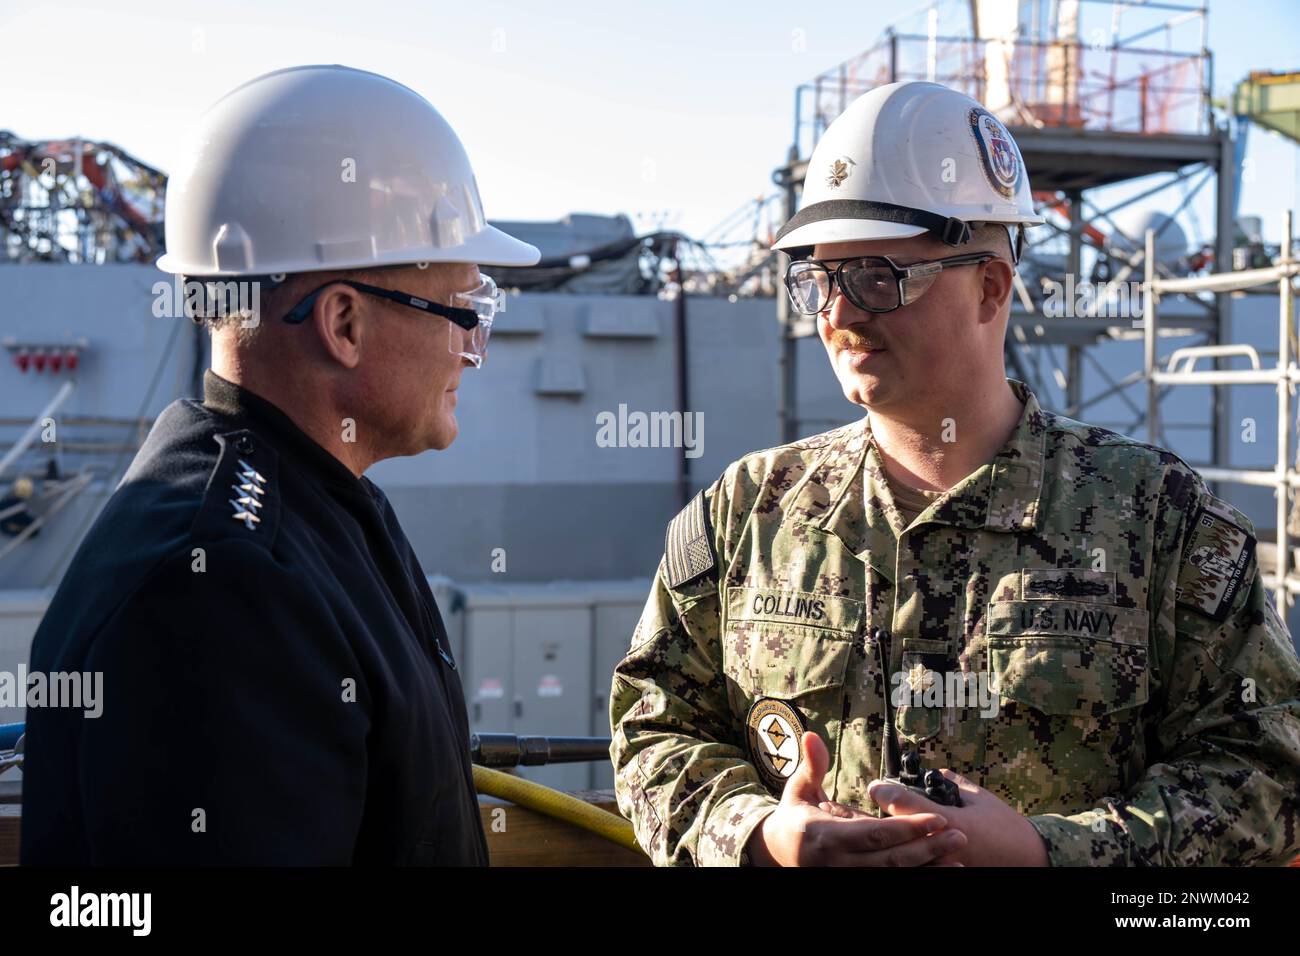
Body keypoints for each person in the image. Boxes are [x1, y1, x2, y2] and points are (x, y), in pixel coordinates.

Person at [609, 80, 1300, 867]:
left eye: (877, 277)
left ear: (990, 287)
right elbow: (654, 728)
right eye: (819, 280)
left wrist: (1050, 854)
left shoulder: (1160, 520)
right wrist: (760, 836)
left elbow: (1266, 768)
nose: (838, 314)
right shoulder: (746, 515)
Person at [21, 65, 540, 865]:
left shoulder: (312, 505)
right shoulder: (221, 588)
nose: (471, 349)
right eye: (461, 310)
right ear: (344, 323)